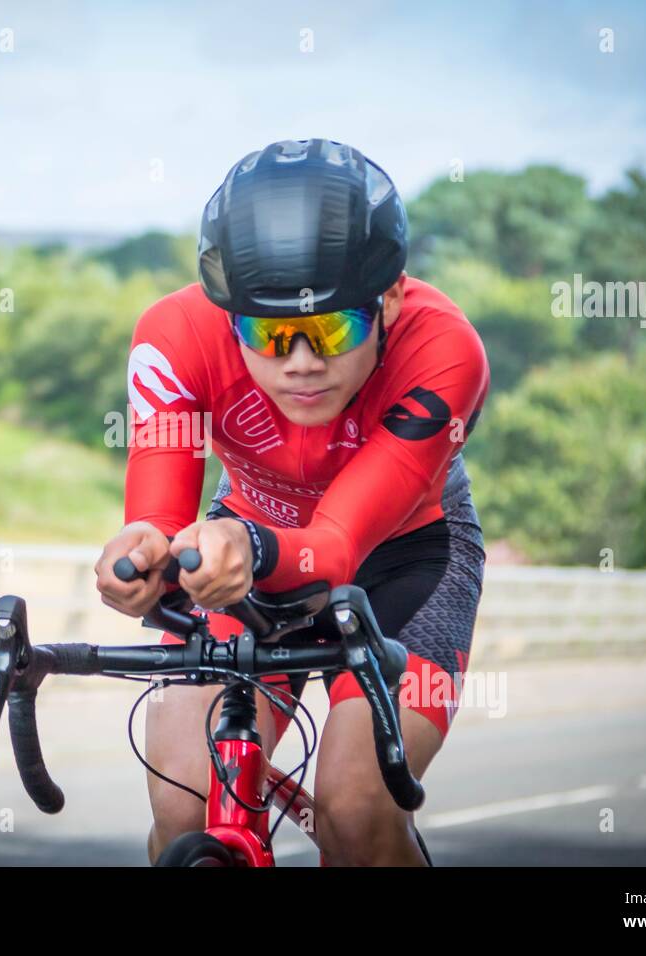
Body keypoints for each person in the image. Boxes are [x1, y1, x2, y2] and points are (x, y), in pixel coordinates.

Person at [94, 138, 490, 866]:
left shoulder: (443, 349)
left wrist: (248, 548)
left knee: (356, 807)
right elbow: (154, 515)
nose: (302, 362)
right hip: (241, 540)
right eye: (269, 333)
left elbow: (338, 545)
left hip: (403, 554)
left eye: (336, 327)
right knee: (185, 803)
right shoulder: (175, 334)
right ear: (227, 313)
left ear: (392, 297)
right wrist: (138, 557)